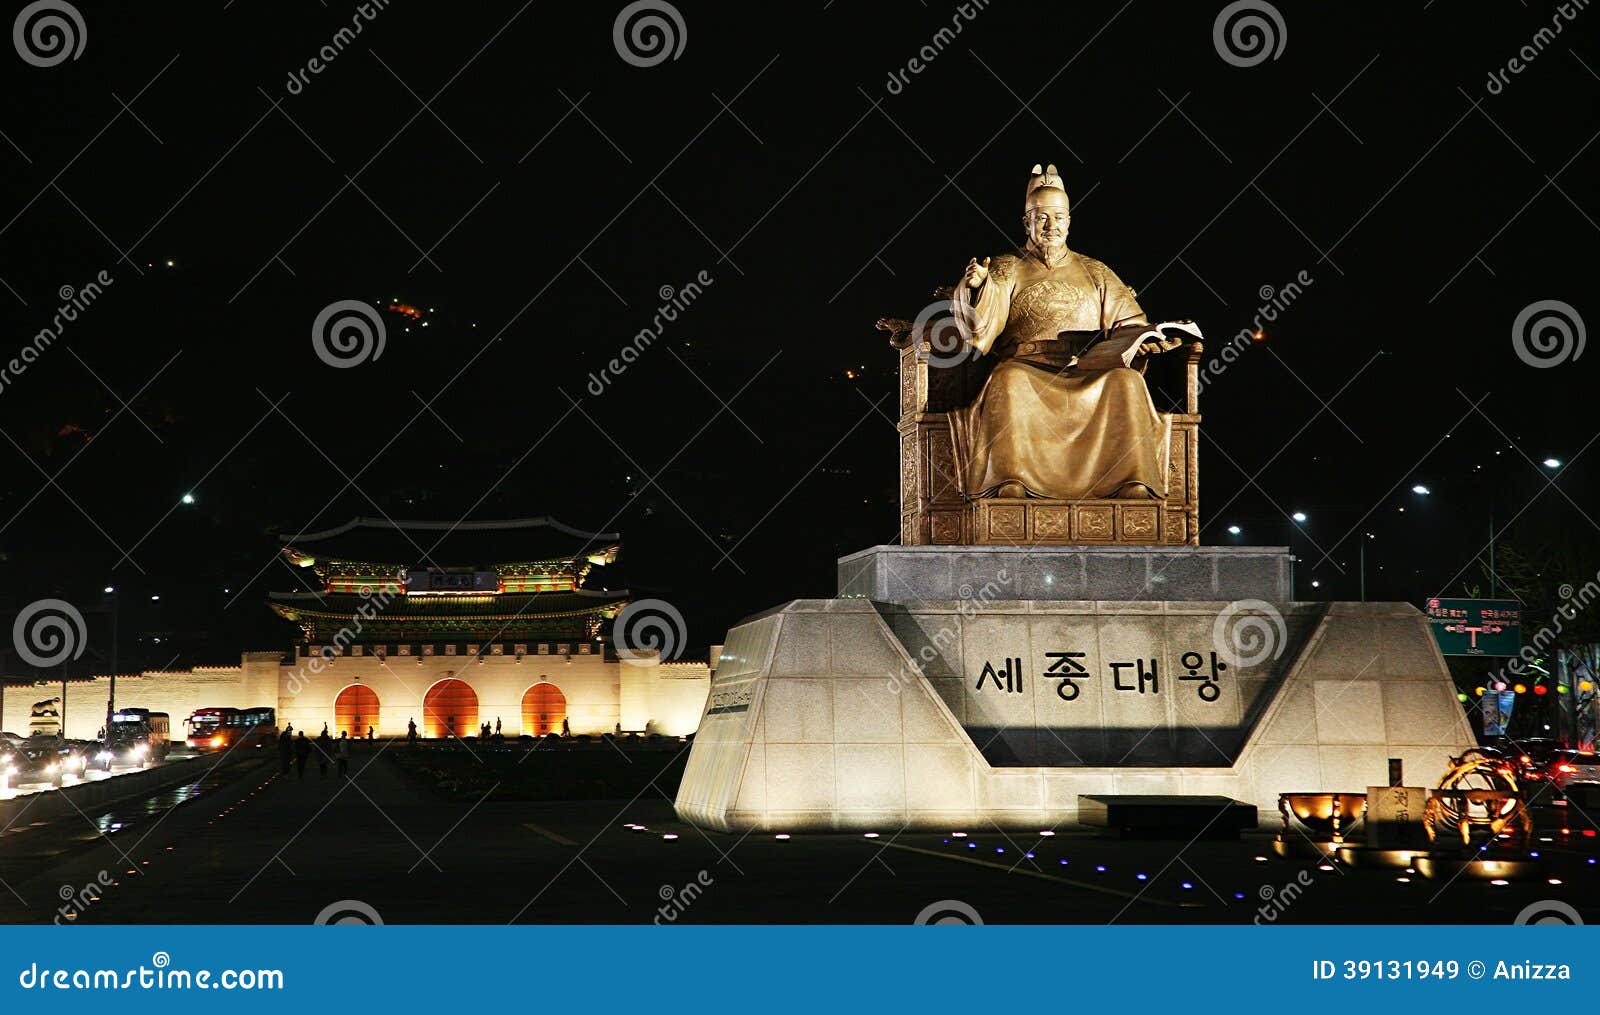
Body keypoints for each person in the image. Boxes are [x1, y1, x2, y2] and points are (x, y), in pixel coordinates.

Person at [948, 164, 1182, 501]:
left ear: (1069, 223)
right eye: (1041, 217)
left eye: (1058, 217)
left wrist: (1148, 340)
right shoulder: (1007, 266)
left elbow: (1129, 323)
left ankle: (1131, 481)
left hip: (1089, 367)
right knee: (1008, 381)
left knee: (1127, 382)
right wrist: (977, 286)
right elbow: (984, 325)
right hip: (1028, 366)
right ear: (1027, 223)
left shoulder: (1095, 270)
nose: (1050, 225)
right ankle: (1009, 480)